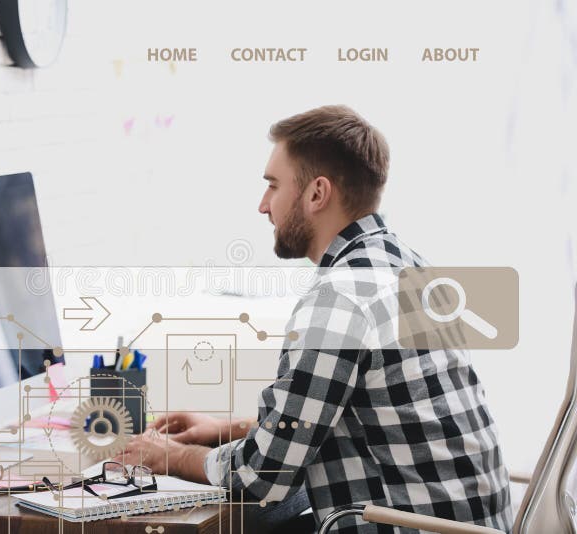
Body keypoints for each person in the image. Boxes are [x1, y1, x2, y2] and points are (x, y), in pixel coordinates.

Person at [116, 105, 512, 532]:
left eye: (273, 185)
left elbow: (264, 475)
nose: (263, 205)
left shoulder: (341, 298)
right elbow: (355, 414)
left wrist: (171, 456)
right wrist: (225, 428)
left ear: (317, 194)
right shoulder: (407, 265)